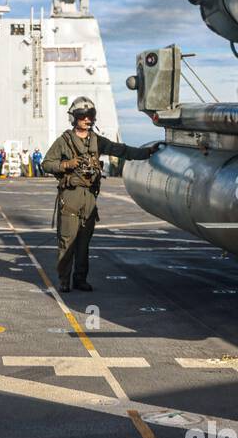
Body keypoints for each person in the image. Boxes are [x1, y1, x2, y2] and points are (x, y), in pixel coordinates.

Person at [44, 97, 159, 292]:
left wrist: (148, 152)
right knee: (67, 241)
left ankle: (80, 279)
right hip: (71, 195)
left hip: (89, 197)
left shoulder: (97, 141)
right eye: (83, 116)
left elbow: (121, 150)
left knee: (83, 243)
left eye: (91, 116)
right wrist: (66, 165)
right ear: (74, 118)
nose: (87, 120)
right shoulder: (63, 142)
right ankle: (64, 280)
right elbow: (46, 164)